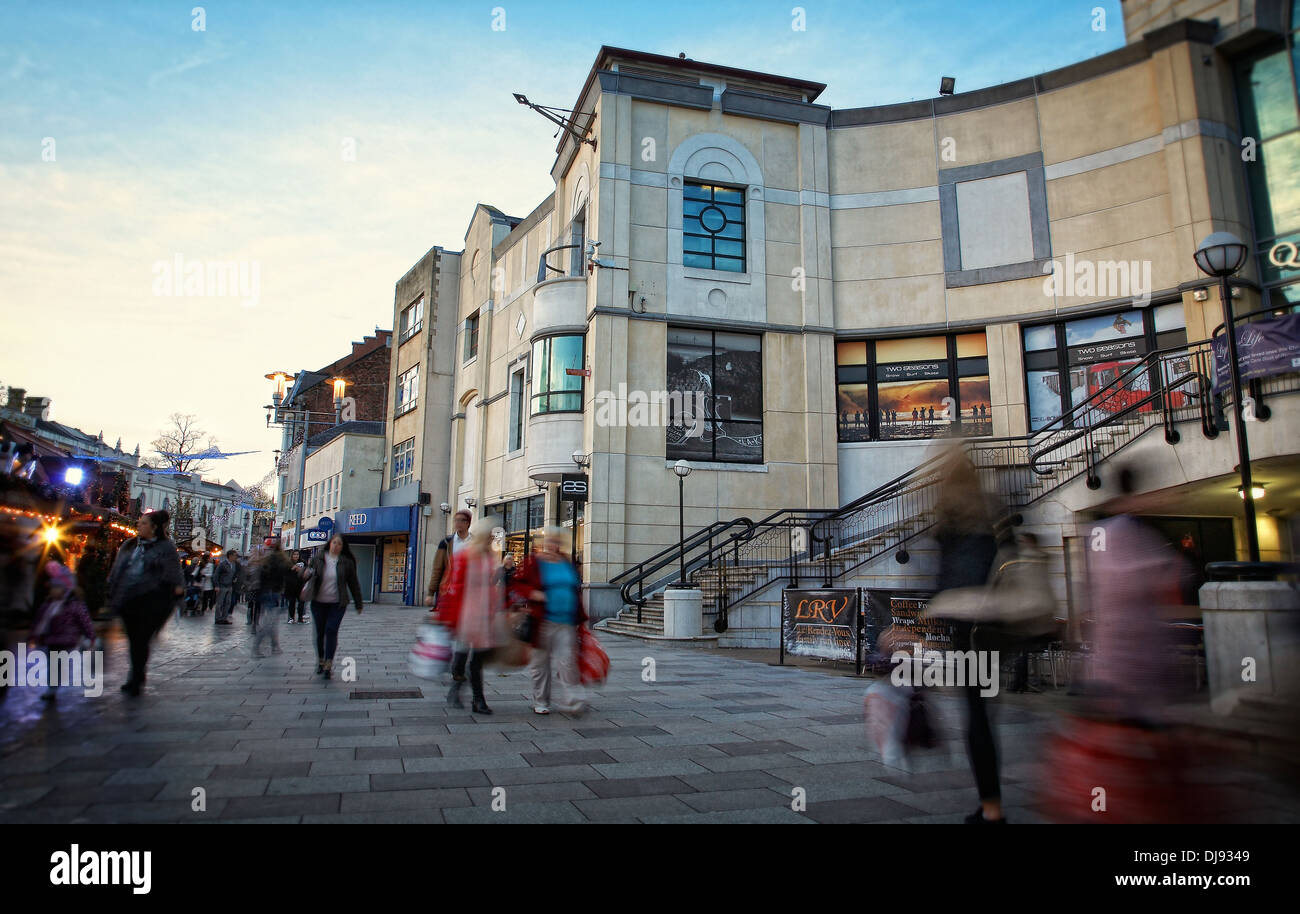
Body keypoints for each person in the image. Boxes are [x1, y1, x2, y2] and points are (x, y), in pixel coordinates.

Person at [930, 443, 1003, 824]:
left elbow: (943, 573)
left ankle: (991, 808)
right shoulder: (991, 507)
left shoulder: (949, 512)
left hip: (964, 623)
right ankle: (993, 805)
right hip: (993, 619)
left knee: (975, 713)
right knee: (985, 712)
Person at [106, 510, 185, 696]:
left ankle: (136, 678)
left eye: (143, 523)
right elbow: (119, 568)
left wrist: (175, 594)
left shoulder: (166, 548)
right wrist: (112, 588)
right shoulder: (130, 545)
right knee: (134, 640)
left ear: (154, 527)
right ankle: (137, 674)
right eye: (139, 522)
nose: (139, 526)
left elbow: (174, 575)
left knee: (141, 640)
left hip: (151, 601)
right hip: (128, 599)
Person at [512, 527, 589, 716]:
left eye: (556, 542)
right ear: (543, 543)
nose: (552, 545)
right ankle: (541, 701)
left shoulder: (566, 562)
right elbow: (516, 584)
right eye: (549, 541)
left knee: (567, 661)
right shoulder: (534, 562)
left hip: (566, 621)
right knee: (540, 664)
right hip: (542, 621)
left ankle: (572, 698)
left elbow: (574, 588)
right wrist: (533, 594)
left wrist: (581, 617)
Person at [436, 517, 503, 714]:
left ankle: (478, 700)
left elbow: (492, 586)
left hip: (483, 614)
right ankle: (457, 684)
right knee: (459, 661)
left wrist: (495, 608)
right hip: (465, 614)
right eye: (489, 535)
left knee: (478, 660)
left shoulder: (489, 558)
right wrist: (448, 616)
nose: (491, 538)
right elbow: (454, 587)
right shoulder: (465, 556)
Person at [300, 534, 364, 679]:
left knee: (331, 629)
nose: (336, 546)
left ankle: (329, 662)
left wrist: (359, 603)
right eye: (334, 543)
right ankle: (320, 660)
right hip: (318, 602)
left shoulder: (346, 562)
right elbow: (308, 574)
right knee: (320, 632)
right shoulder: (319, 558)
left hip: (337, 603)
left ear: (343, 547)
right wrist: (304, 574)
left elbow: (353, 584)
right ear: (329, 544)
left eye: (339, 544)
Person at [30, 561, 96, 701]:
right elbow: (40, 621)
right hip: (51, 639)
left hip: (66, 640)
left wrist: (90, 635)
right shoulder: (48, 604)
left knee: (57, 664)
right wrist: (34, 634)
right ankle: (52, 687)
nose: (53, 591)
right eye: (52, 587)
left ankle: (53, 687)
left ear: (66, 588)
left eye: (57, 587)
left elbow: (85, 621)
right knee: (53, 664)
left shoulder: (74, 605)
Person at [425, 509, 472, 612]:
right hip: (449, 589)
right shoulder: (446, 543)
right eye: (456, 520)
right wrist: (430, 593)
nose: (458, 523)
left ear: (468, 523)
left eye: (461, 520)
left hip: (469, 590)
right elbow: (437, 568)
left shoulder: (475, 542)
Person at [252, 542, 291, 657]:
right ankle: (257, 647)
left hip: (266, 592)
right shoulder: (280, 561)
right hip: (273, 593)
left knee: (272, 621)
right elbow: (285, 576)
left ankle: (275, 646)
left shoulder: (267, 561)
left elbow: (262, 577)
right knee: (270, 622)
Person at [214, 549, 238, 625]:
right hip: (222, 585)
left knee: (228, 603)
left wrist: (234, 579)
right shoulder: (222, 564)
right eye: (235, 555)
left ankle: (224, 618)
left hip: (230, 586)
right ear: (230, 556)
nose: (236, 557)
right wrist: (216, 585)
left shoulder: (233, 564)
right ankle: (218, 618)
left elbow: (233, 573)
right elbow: (216, 575)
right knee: (220, 603)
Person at [285, 549, 307, 623]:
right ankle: (291, 618)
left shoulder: (303, 562)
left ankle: (300, 618)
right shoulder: (288, 563)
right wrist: (292, 569)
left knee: (301, 603)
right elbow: (285, 573)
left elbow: (307, 572)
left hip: (300, 586)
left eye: (297, 554)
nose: (296, 556)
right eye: (294, 554)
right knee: (292, 602)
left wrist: (301, 570)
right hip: (291, 586)